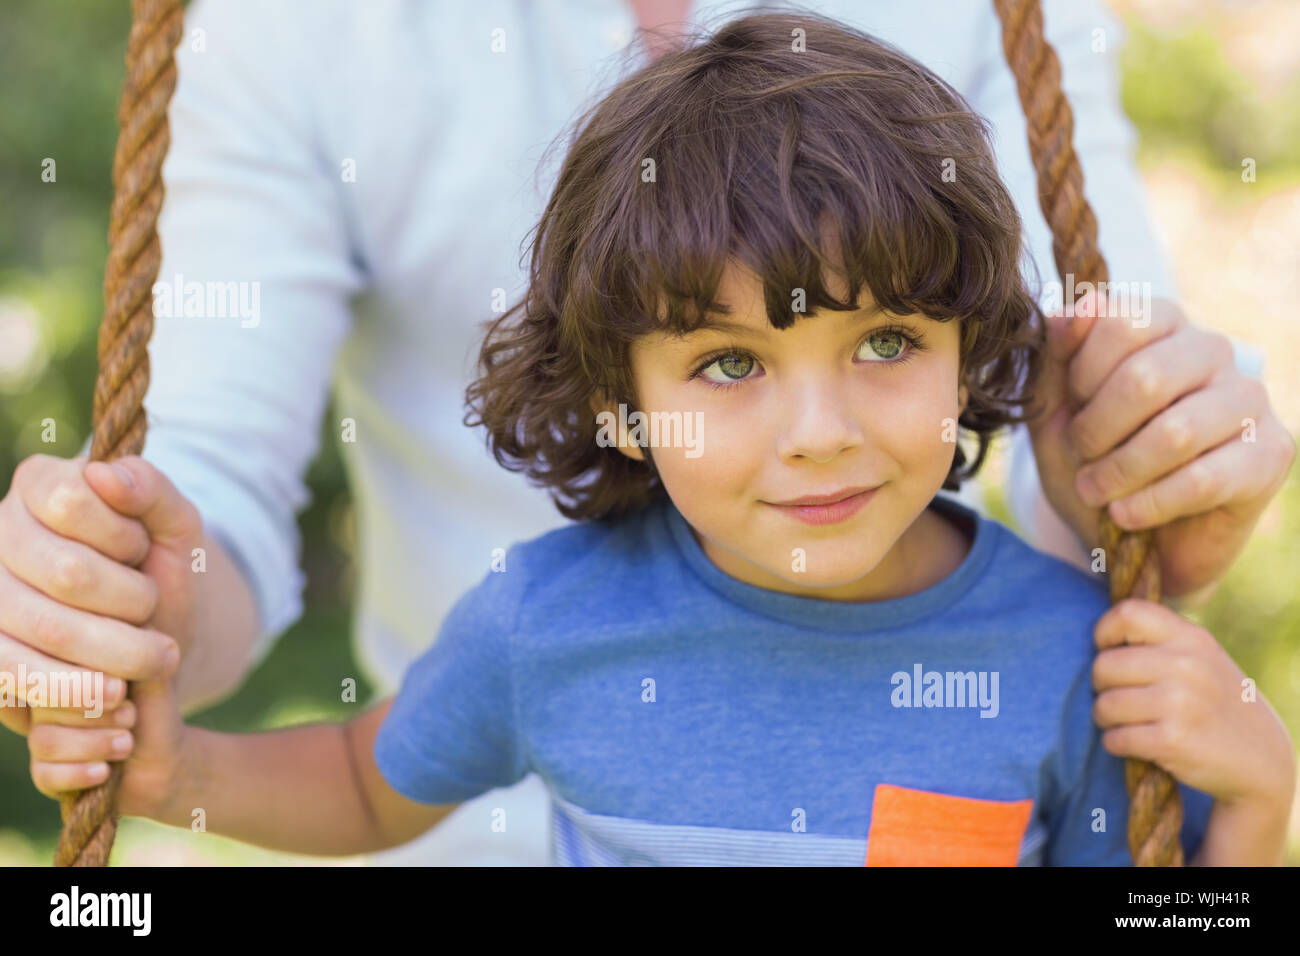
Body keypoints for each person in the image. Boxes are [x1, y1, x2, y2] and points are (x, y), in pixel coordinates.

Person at [4, 0, 1293, 865]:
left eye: (887, 344)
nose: (820, 434)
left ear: (976, 349)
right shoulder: (547, 624)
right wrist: (166, 763)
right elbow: (359, 782)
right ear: (615, 395)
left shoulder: (1069, 650)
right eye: (730, 363)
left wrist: (1259, 797)